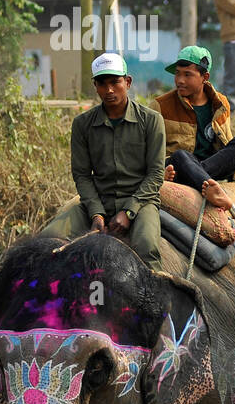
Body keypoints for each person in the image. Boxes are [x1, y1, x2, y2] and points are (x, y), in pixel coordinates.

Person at [39, 52, 165, 271]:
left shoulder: (151, 120)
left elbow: (155, 174)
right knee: (46, 240)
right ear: (95, 85)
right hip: (99, 200)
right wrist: (96, 213)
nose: (109, 90)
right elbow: (81, 174)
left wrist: (128, 212)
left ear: (127, 82)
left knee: (147, 246)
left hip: (140, 202)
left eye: (115, 82)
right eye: (102, 83)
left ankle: (161, 302)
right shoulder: (82, 124)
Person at [150, 45, 235, 212]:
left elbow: (226, 149)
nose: (179, 80)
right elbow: (149, 153)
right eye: (177, 73)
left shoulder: (221, 104)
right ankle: (213, 189)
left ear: (205, 77)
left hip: (208, 170)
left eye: (187, 74)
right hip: (178, 170)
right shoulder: (160, 106)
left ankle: (207, 184)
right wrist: (161, 174)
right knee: (181, 156)